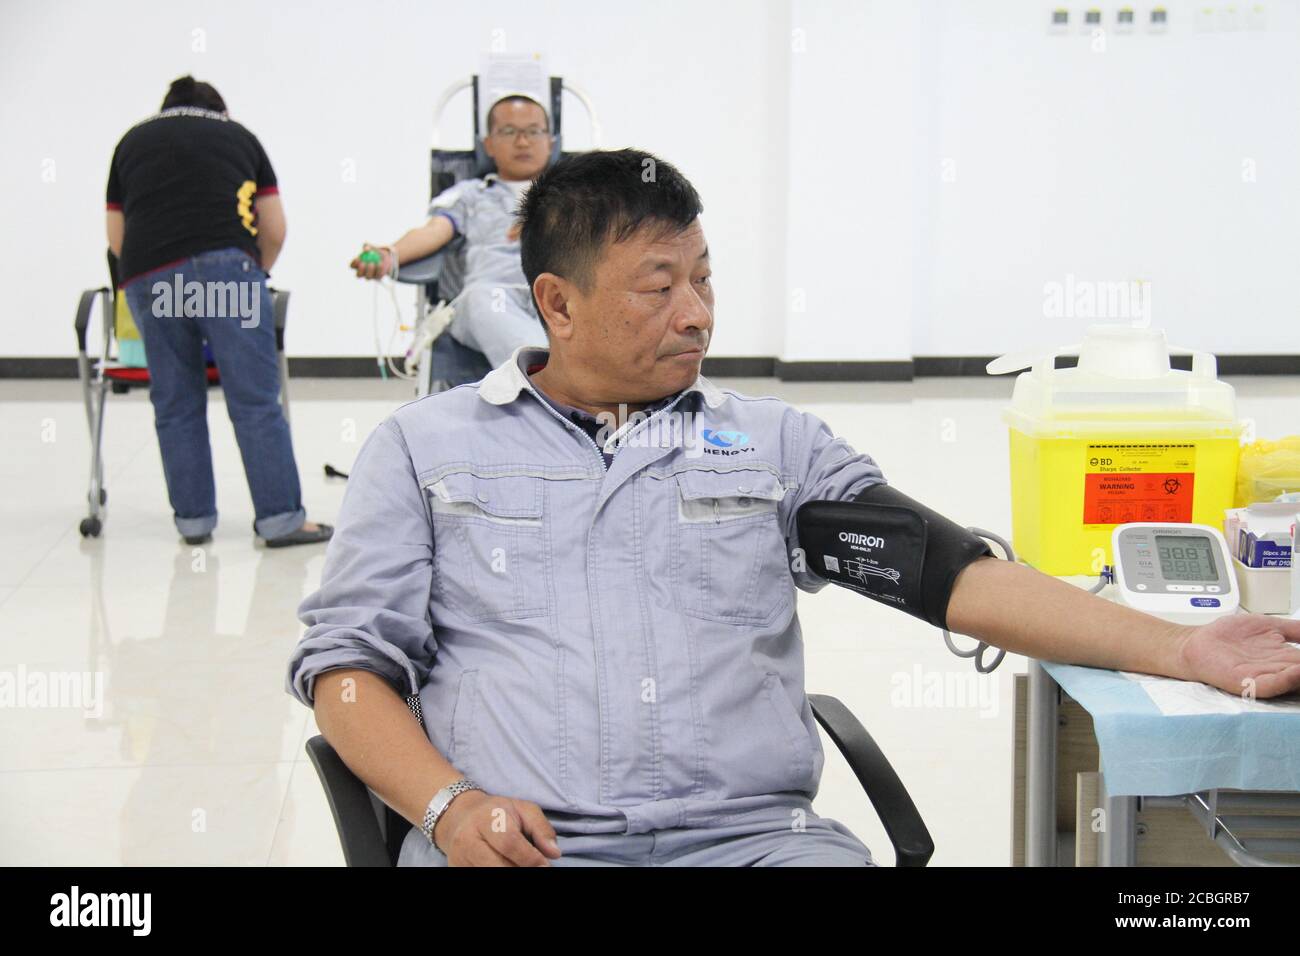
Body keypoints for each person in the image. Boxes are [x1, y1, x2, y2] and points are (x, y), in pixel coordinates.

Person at [287, 149, 1300, 867]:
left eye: (704, 277)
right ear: (555, 302)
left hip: (752, 843)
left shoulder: (771, 447)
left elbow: (949, 576)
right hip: (525, 841)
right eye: (657, 286)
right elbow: (345, 670)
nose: (696, 312)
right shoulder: (425, 448)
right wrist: (448, 804)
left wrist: (1181, 646)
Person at [106, 76, 331, 548]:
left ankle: (193, 522)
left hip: (153, 275)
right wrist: (255, 274)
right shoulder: (239, 137)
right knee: (253, 399)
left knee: (175, 401)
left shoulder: (131, 141)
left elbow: (117, 235)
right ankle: (281, 520)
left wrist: (148, 278)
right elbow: (273, 225)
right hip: (226, 271)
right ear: (219, 110)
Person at [349, 94, 551, 367]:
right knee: (486, 299)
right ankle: (547, 380)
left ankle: (553, 384)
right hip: (494, 295)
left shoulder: (577, 195)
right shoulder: (469, 195)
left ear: (550, 141)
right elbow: (433, 231)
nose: (523, 141)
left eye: (533, 131)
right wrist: (389, 254)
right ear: (488, 144)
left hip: (559, 294)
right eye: (509, 131)